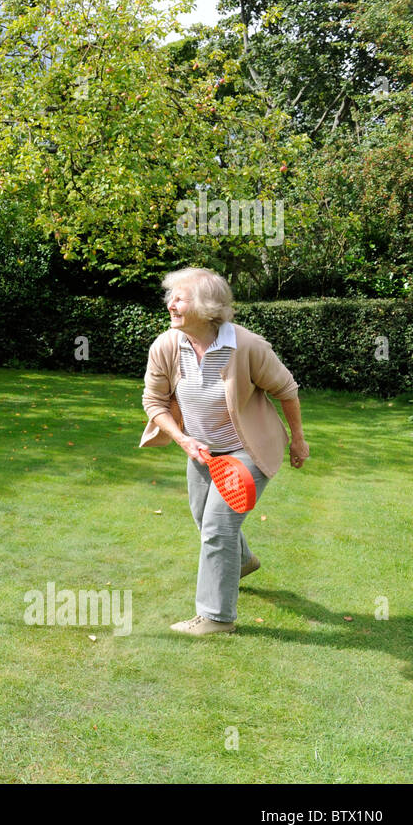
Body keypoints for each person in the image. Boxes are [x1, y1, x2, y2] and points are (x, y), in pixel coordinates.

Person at [139, 267, 308, 635]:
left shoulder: (246, 346)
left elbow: (287, 389)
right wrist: (183, 440)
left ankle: (216, 618)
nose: (171, 304)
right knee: (205, 521)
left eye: (180, 298)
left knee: (217, 529)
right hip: (201, 450)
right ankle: (243, 560)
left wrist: (298, 438)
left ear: (206, 306)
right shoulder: (167, 345)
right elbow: (153, 402)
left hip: (246, 450)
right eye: (171, 297)